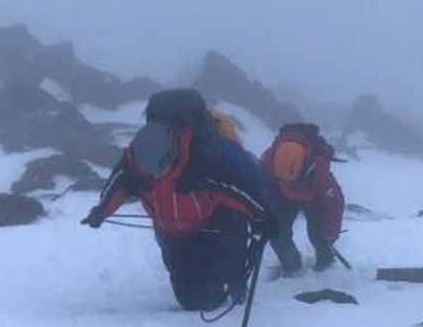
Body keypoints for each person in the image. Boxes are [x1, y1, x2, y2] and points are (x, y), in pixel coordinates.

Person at [82, 89, 277, 311]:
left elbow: (239, 189)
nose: (155, 177)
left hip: (218, 222)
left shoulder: (207, 158)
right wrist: (101, 212)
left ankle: (235, 284)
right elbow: (119, 185)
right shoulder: (136, 160)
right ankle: (217, 288)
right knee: (192, 299)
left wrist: (261, 217)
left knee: (228, 272)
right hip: (174, 231)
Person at [261, 123, 345, 274]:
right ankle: (294, 267)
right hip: (286, 194)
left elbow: (333, 202)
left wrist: (332, 232)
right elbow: (261, 186)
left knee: (318, 234)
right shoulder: (269, 160)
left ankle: (323, 264)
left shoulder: (317, 166)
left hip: (308, 196)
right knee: (277, 234)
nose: (294, 184)